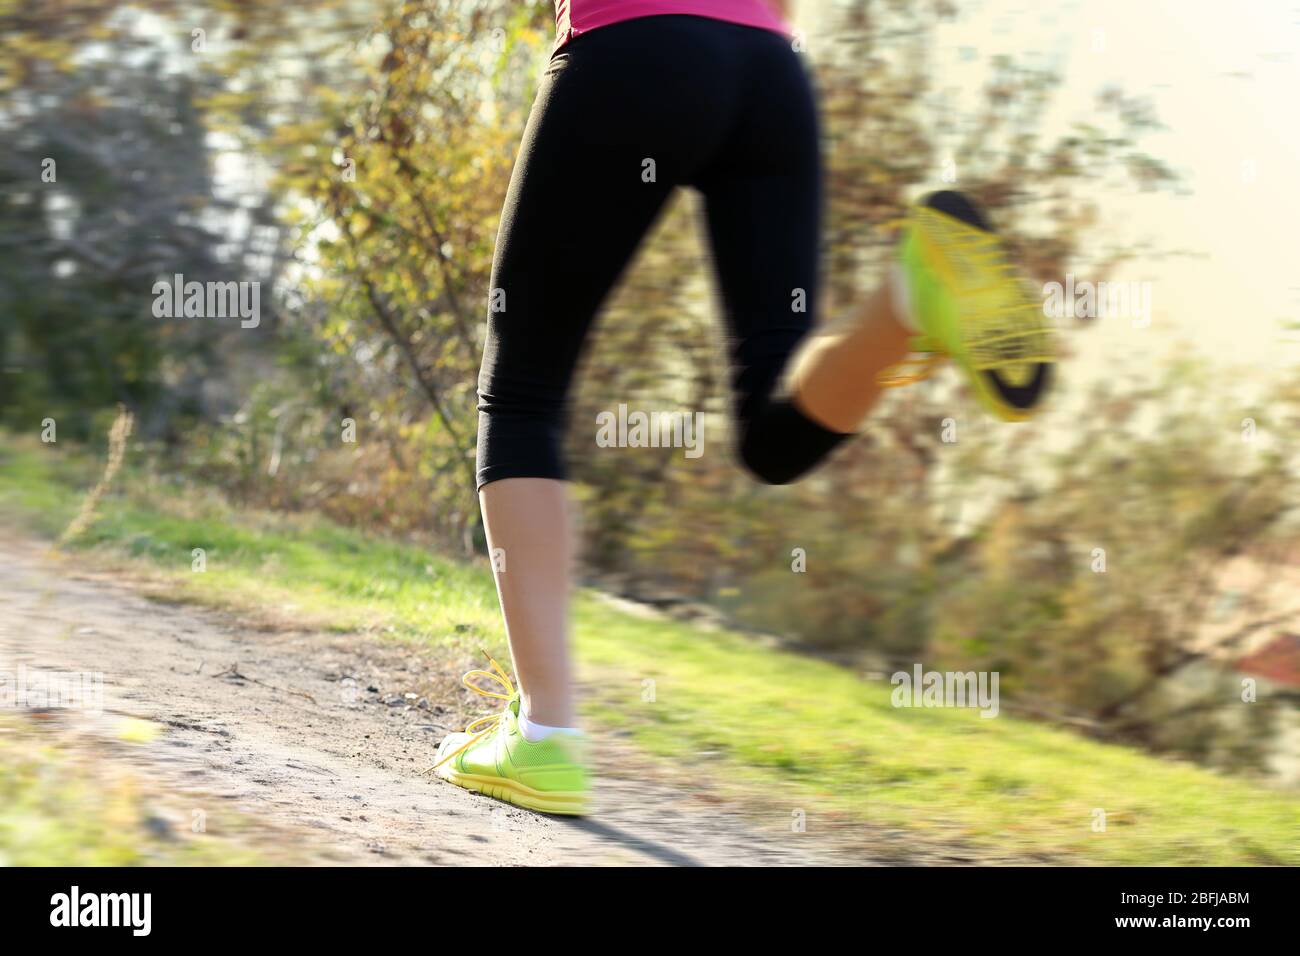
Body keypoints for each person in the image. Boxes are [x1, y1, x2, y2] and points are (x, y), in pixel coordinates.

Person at [432, 0, 1053, 815]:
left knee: (520, 392)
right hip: (767, 72)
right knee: (772, 431)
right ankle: (909, 298)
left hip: (632, 46)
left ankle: (546, 738)